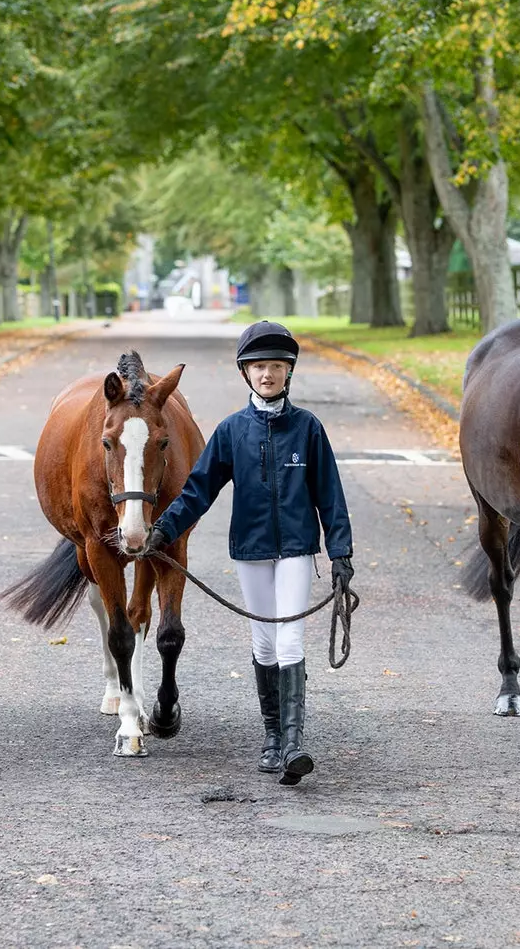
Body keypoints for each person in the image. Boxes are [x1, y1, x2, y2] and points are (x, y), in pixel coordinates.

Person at [142, 321, 355, 786]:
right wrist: (163, 530)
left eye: (276, 367)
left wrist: (340, 552)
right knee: (263, 643)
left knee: (289, 640)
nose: (267, 375)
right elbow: (198, 490)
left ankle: (296, 744)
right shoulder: (231, 431)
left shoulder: (308, 429)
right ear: (246, 373)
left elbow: (330, 494)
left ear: (288, 372)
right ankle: (273, 737)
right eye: (259, 367)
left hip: (298, 548)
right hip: (251, 550)